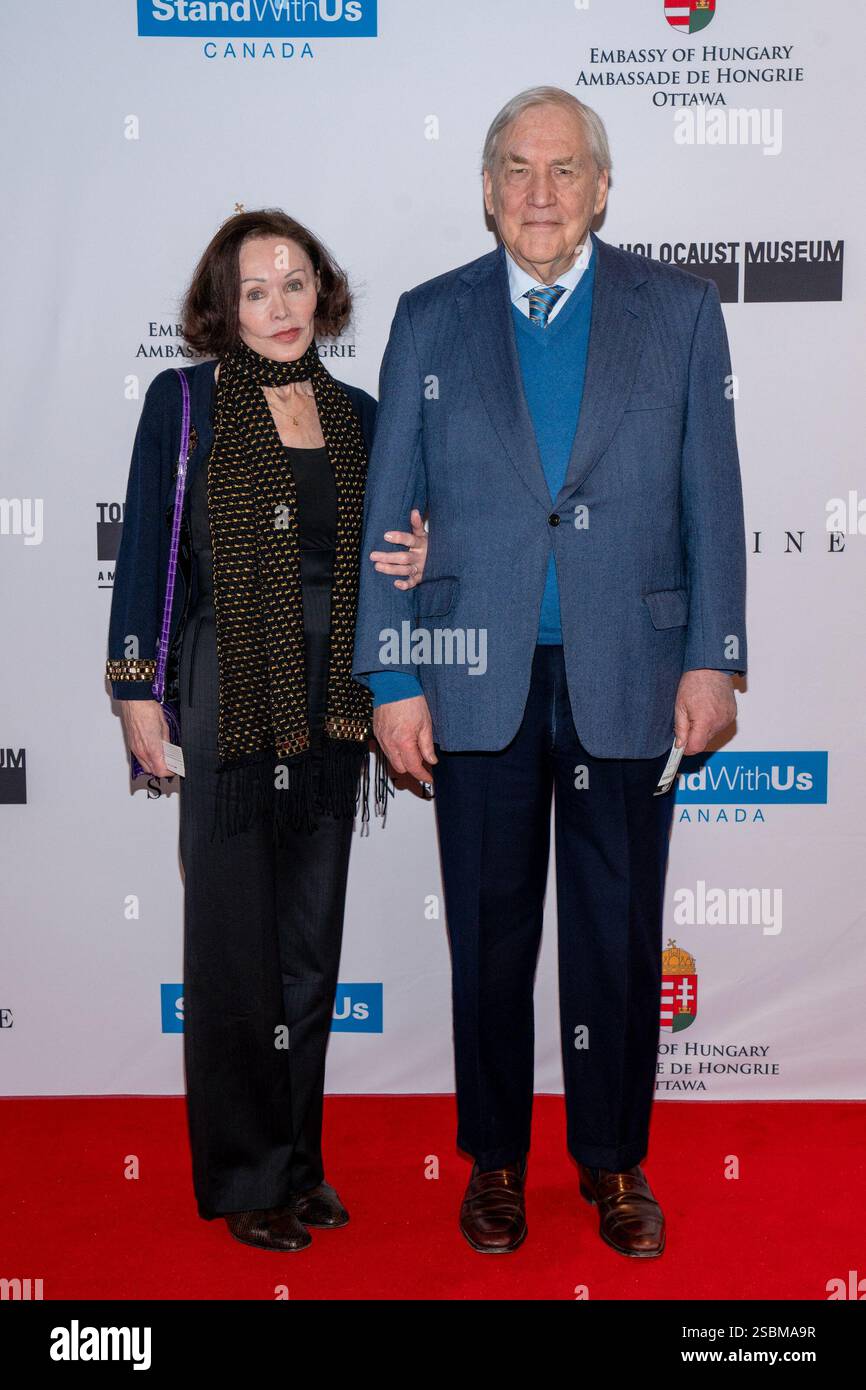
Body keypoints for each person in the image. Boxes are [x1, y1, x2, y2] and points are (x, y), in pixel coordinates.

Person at [354, 88, 747, 1258]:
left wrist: (712, 656)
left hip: (629, 673)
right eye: (516, 169)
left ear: (600, 187)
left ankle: (613, 1161)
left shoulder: (678, 312)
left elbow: (711, 501)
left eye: (563, 170)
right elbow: (388, 516)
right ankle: (493, 1163)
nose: (538, 192)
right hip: (472, 679)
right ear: (484, 188)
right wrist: (390, 678)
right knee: (486, 936)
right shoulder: (429, 319)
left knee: (617, 937)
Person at [106, 209, 428, 1253]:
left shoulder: (363, 415)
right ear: (223, 307)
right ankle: (245, 1176)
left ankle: (299, 1159)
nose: (279, 306)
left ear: (321, 293)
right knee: (234, 947)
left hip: (332, 699)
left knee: (305, 944)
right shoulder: (186, 404)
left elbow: (397, 552)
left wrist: (420, 564)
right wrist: (135, 687)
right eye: (255, 290)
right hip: (227, 687)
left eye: (294, 284)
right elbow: (149, 548)